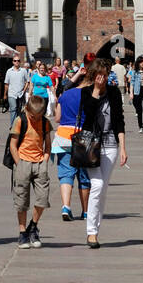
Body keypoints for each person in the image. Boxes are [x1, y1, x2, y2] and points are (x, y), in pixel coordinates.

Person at [79, 59, 127, 249]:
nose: (103, 78)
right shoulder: (85, 92)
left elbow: (119, 121)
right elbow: (88, 115)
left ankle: (95, 229)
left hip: (110, 145)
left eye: (105, 75)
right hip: (91, 144)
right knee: (97, 185)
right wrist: (96, 91)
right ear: (93, 75)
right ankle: (91, 232)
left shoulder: (114, 92)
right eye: (100, 75)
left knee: (103, 189)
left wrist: (123, 146)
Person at [9, 94, 52, 248]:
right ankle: (22, 232)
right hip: (23, 162)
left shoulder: (45, 123)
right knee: (21, 200)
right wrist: (19, 163)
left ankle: (33, 226)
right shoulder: (20, 120)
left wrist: (45, 160)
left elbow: (48, 144)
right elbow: (13, 144)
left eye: (39, 117)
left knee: (43, 198)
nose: (35, 119)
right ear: (27, 110)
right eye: (33, 116)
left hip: (40, 162)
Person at [52, 76, 91, 222]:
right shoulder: (90, 95)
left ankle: (66, 206)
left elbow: (57, 118)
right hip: (83, 137)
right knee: (84, 176)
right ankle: (86, 211)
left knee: (65, 174)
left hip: (63, 137)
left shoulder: (65, 95)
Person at [3, 54, 29, 122]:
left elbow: (27, 81)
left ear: (20, 62)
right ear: (13, 62)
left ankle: (18, 125)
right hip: (11, 94)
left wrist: (24, 90)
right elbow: (6, 83)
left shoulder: (23, 71)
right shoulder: (9, 71)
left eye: (18, 60)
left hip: (20, 94)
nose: (16, 62)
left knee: (19, 110)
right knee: (13, 109)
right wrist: (5, 94)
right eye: (15, 60)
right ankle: (13, 126)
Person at [128, 56, 143, 133]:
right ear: (138, 63)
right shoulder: (134, 72)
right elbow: (132, 83)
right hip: (137, 92)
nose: (142, 63)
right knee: (139, 110)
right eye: (141, 62)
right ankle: (140, 126)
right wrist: (131, 93)